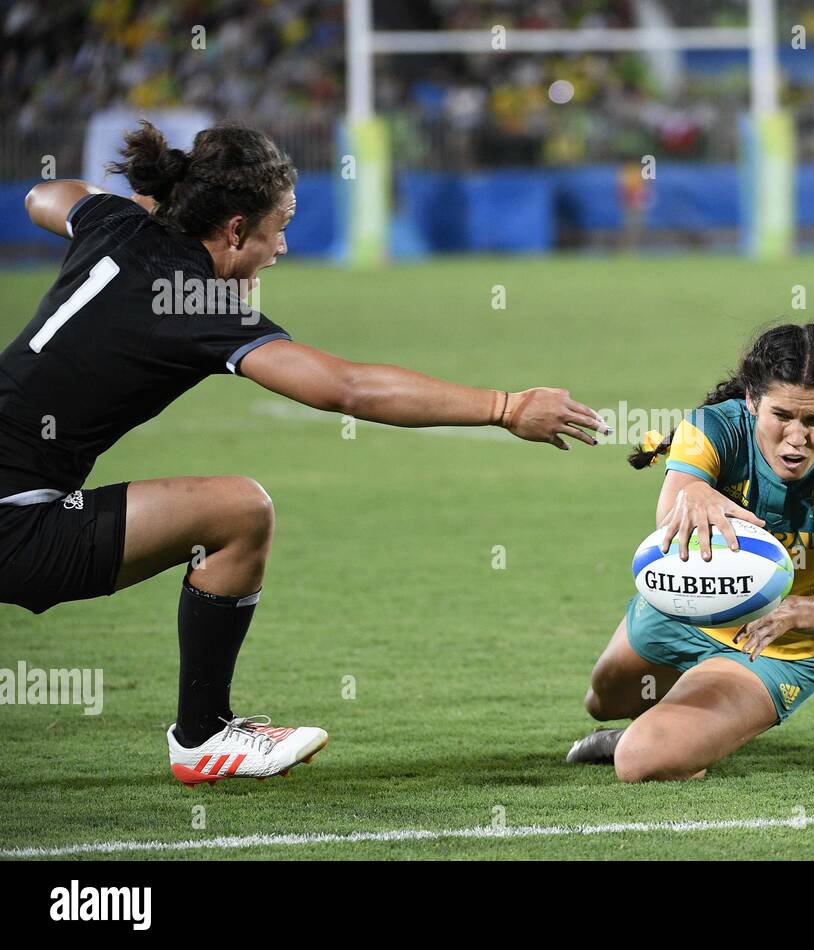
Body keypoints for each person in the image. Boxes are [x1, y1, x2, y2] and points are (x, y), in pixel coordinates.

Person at [1, 121, 610, 786]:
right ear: (235, 230)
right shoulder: (196, 299)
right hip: (16, 522)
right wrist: (506, 406)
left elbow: (42, 195)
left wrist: (132, 209)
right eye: (276, 226)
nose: (282, 246)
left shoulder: (113, 224)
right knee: (239, 512)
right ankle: (202, 736)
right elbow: (344, 388)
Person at [566, 324, 814, 781]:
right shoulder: (712, 426)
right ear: (752, 401)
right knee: (603, 702)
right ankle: (679, 713)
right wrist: (691, 495)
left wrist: (794, 612)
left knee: (641, 759)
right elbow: (669, 514)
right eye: (781, 415)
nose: (797, 438)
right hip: (685, 605)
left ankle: (663, 731)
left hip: (775, 644)